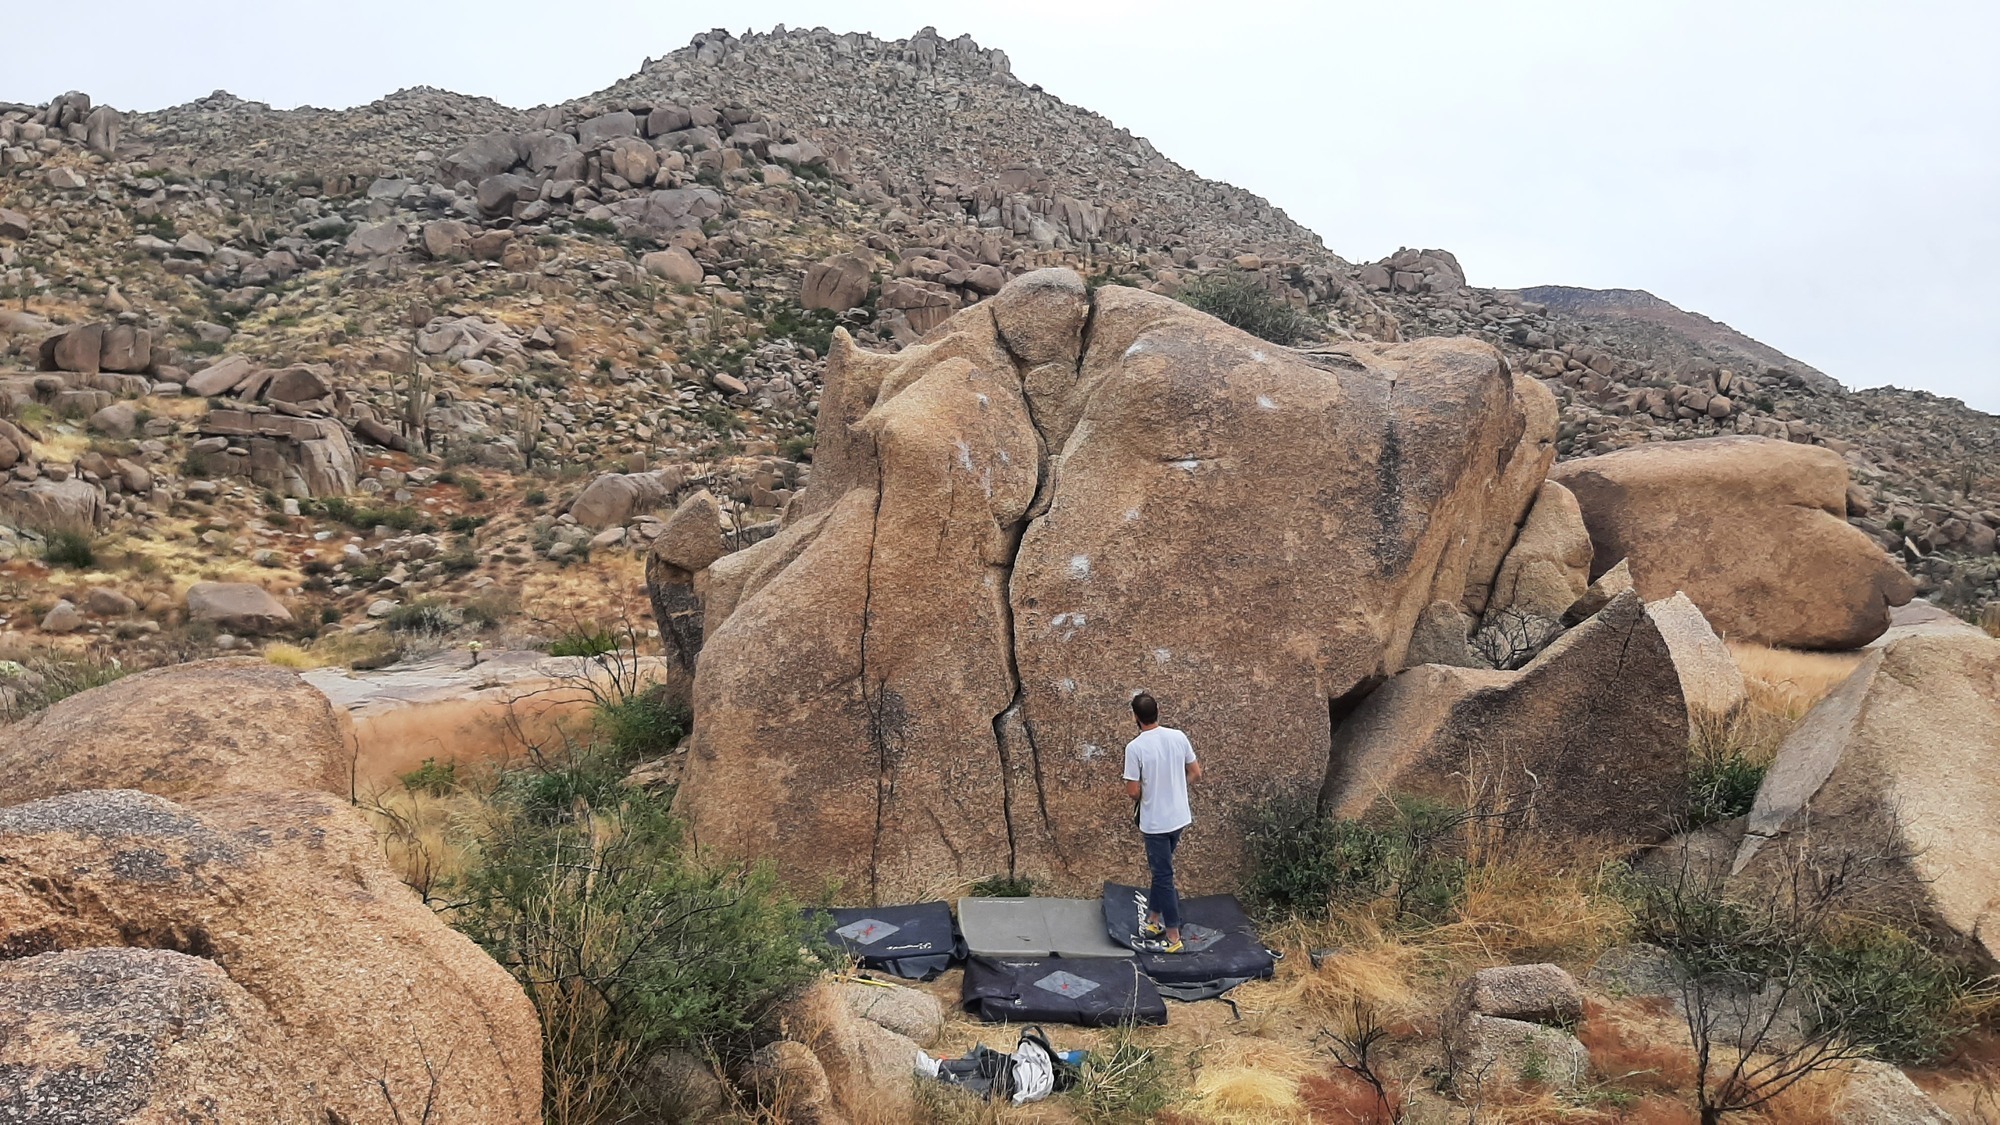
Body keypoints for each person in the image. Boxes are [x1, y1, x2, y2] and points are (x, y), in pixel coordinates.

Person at [1121, 692, 1201, 953]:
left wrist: (1150, 792)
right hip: (1178, 817)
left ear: (1135, 717)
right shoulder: (1178, 737)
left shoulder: (1135, 748)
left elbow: (1133, 791)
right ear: (1158, 711)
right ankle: (1153, 919)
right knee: (1161, 870)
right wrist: (1175, 787)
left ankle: (1173, 935)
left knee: (1164, 876)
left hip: (1155, 822)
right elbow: (1195, 772)